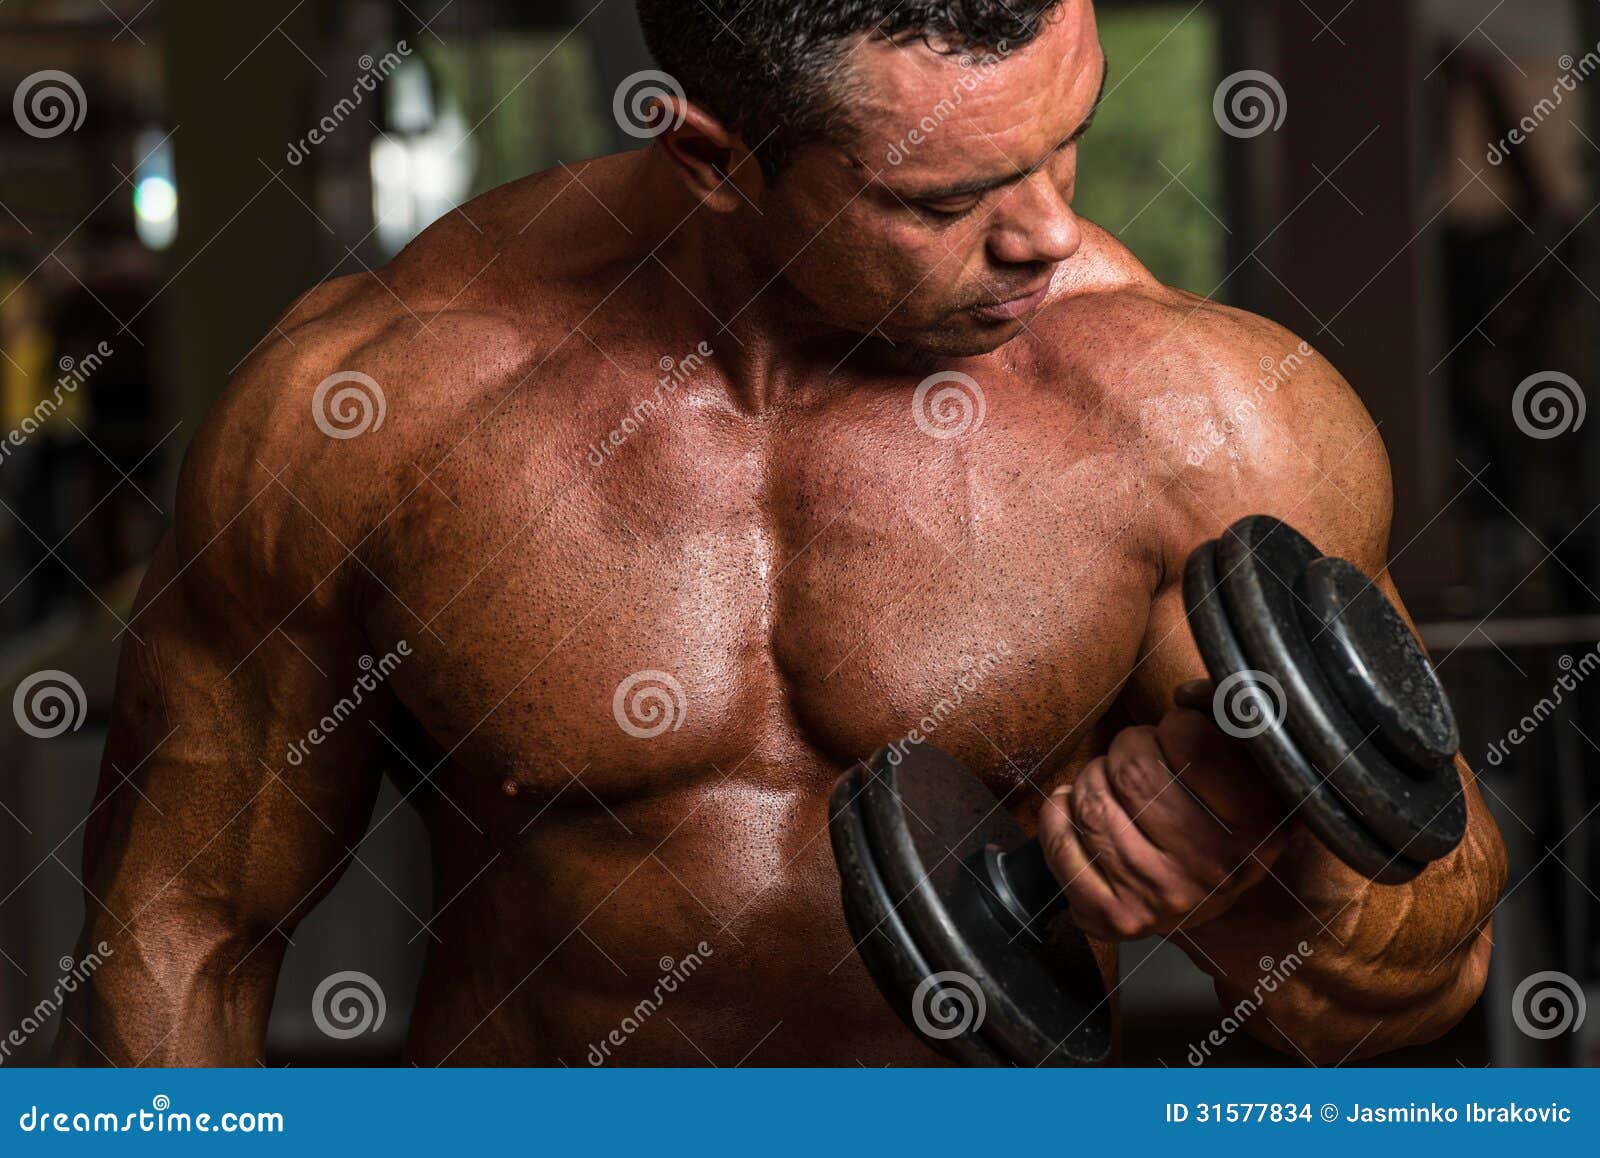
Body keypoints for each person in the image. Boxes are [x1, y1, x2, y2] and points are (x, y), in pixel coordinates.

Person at [56, 0, 1505, 1066]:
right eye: (946, 198)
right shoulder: (373, 409)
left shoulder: (1205, 422)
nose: (1049, 236)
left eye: (1066, 141)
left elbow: (1428, 974)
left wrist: (1253, 900)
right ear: (716, 155)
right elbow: (178, 931)